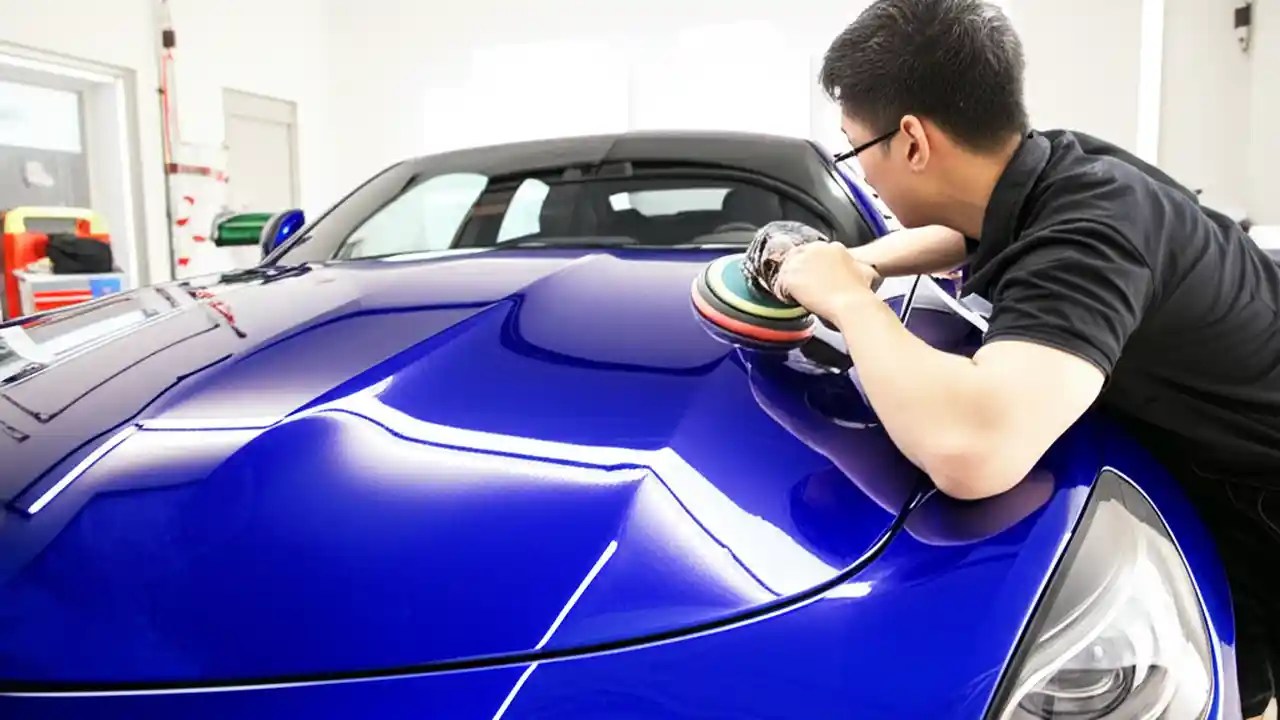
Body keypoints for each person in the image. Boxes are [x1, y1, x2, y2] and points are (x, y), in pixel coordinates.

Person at [776, 1, 1280, 717]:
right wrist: (859, 264)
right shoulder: (1063, 167)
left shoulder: (1091, 235)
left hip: (1261, 493)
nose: (869, 180)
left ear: (913, 142)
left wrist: (852, 307)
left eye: (857, 151)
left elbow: (976, 451)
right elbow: (972, 231)